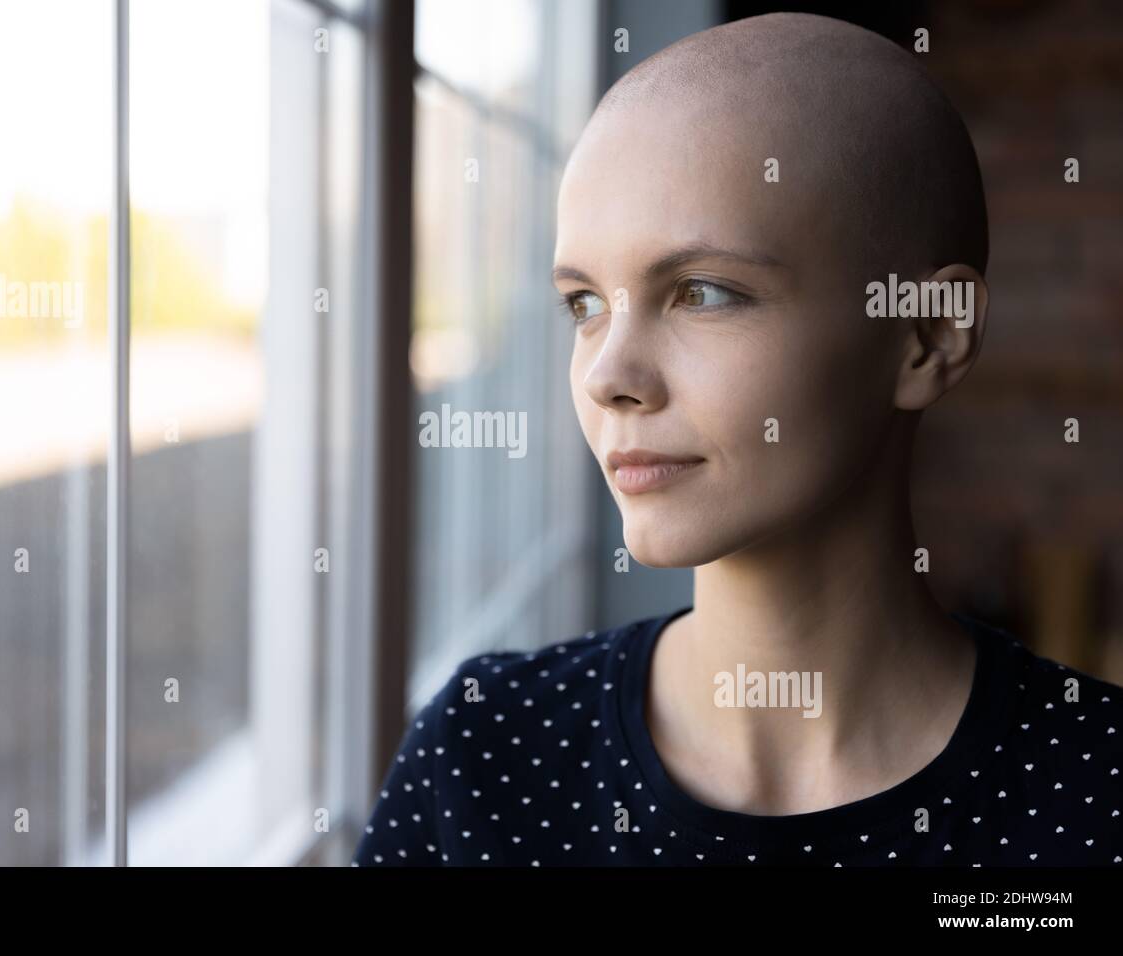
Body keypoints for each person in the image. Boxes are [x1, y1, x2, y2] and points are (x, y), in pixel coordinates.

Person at [352, 12, 1123, 866]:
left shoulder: (1099, 794)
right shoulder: (482, 759)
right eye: (585, 304)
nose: (610, 376)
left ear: (927, 336)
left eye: (703, 293)